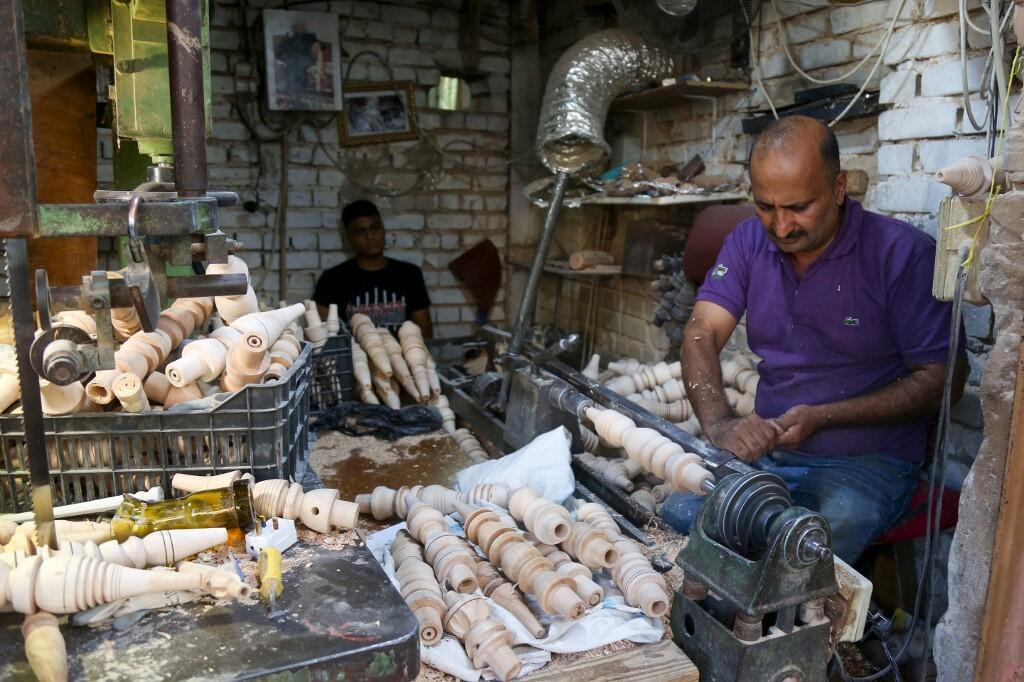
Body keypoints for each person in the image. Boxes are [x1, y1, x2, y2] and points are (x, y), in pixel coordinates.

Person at [660, 116, 965, 562]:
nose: (781, 227)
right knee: (679, 518)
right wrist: (720, 423)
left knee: (798, 549)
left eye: (799, 207)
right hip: (773, 456)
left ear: (839, 188)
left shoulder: (901, 255)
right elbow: (702, 331)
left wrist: (823, 416)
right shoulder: (748, 241)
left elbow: (944, 380)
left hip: (867, 462)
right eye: (766, 206)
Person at [314, 199, 433, 338]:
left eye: (375, 228)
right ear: (348, 237)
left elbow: (425, 333)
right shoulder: (332, 279)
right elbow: (321, 338)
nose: (370, 236)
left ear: (383, 229)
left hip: (403, 357)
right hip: (355, 359)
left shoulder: (409, 274)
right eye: (360, 231)